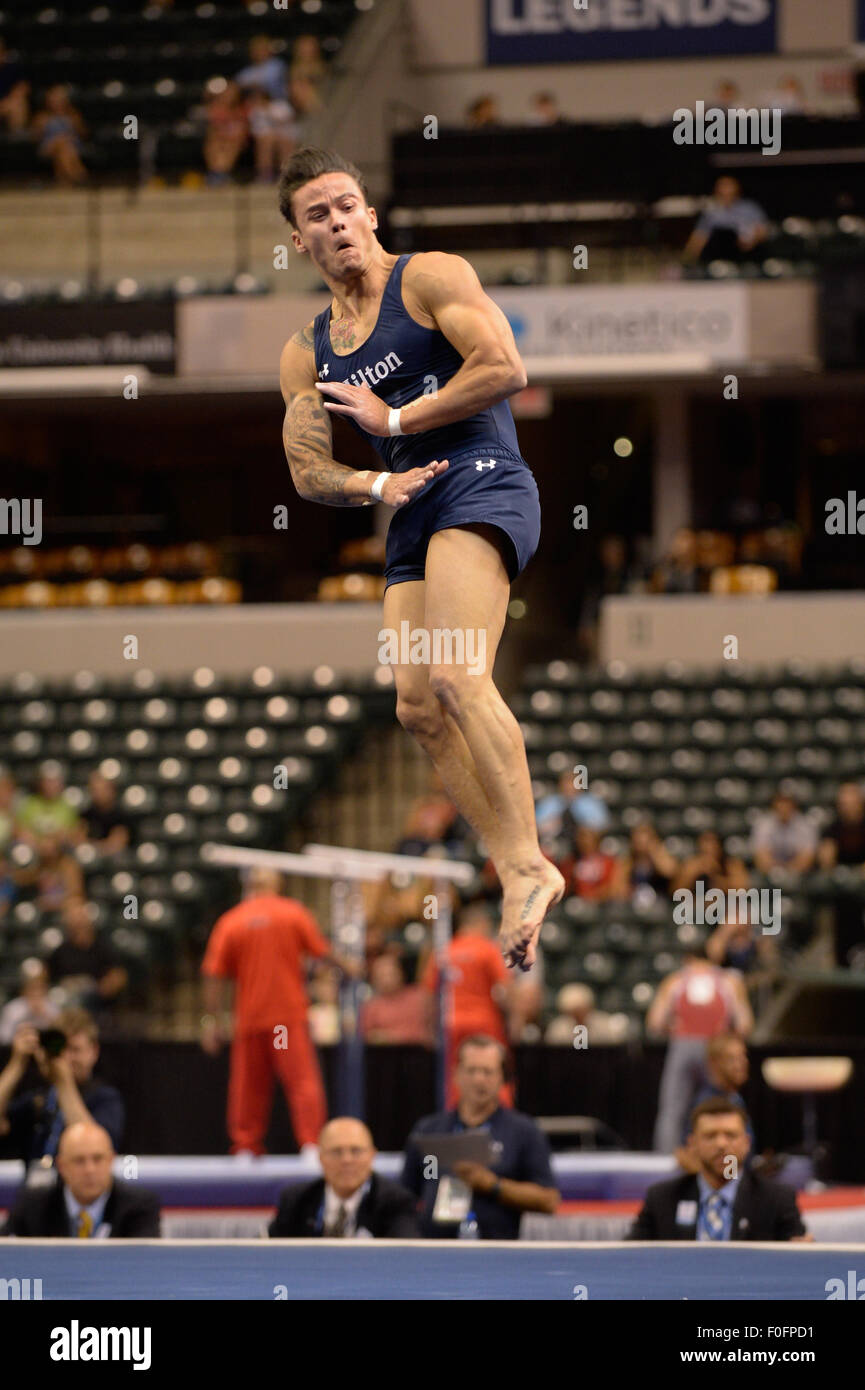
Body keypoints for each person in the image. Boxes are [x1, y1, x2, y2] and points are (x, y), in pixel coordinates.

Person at [277, 146, 564, 971]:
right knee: (415, 705)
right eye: (317, 215)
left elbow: (504, 367)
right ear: (300, 241)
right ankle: (516, 861)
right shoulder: (307, 352)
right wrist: (375, 480)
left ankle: (524, 865)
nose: (337, 223)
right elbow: (306, 469)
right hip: (409, 510)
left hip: (480, 481)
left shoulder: (430, 277)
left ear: (370, 212)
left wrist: (397, 424)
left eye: (345, 205)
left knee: (453, 672)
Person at [200, 866, 356, 1155]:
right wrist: (349, 967)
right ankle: (310, 1143)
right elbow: (322, 952)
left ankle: (245, 1146)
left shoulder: (232, 921)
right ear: (277, 884)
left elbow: (213, 975)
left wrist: (212, 1020)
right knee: (300, 1081)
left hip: (250, 1019)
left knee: (249, 1086)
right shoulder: (292, 913)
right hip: (285, 1021)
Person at [402, 1035, 559, 1239]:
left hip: (498, 1252)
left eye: (487, 1072)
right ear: (456, 1074)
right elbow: (404, 1199)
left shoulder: (524, 1131)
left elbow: (549, 1200)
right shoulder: (428, 1130)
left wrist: (494, 1186)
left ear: (502, 1078)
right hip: (435, 1251)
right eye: (472, 1070)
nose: (479, 1079)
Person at [629, 1099, 810, 1242]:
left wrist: (805, 1251)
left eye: (730, 1135)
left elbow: (798, 1254)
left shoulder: (776, 1200)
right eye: (710, 1136)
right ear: (693, 1144)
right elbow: (628, 1257)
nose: (721, 1144)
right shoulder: (662, 1198)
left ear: (746, 1143)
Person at [647, 946, 753, 1154]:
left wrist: (675, 1028)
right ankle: (728, 1156)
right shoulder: (728, 981)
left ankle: (666, 1160)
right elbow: (745, 1026)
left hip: (683, 1045)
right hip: (716, 1047)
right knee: (723, 1105)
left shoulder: (675, 981)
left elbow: (655, 1024)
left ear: (688, 960)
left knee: (672, 1110)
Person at [0, 1009, 125, 1168]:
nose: (66, 1059)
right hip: (36, 1190)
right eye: (61, 1050)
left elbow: (90, 1148)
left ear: (94, 1051)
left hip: (78, 1190)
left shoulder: (105, 1098)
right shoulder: (41, 1098)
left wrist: (63, 1080)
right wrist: (17, 1063)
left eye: (75, 1050)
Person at [420, 901, 513, 1106]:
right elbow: (504, 991)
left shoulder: (442, 952)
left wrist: (428, 1028)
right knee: (492, 1068)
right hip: (484, 1021)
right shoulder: (487, 949)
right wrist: (512, 1019)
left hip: (451, 1023)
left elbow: (428, 995)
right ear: (481, 923)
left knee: (456, 1074)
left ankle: (456, 1119)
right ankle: (501, 1112)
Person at [2, 1121, 160, 1238]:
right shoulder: (32, 1206)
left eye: (98, 1159)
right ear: (62, 1166)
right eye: (79, 1161)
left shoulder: (138, 1207)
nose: (89, 1170)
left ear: (111, 1160)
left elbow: (144, 1268)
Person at [269, 1116, 419, 1237]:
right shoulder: (296, 1200)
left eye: (356, 1151)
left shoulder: (395, 1203)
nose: (346, 1160)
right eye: (336, 1152)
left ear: (372, 1156)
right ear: (321, 1158)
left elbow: (405, 1257)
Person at [674, 1033, 755, 1170]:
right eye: (732, 1059)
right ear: (713, 1063)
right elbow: (720, 1165)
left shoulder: (734, 1098)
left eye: (743, 1056)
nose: (741, 1063)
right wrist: (733, 1183)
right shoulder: (708, 1106)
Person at [47, 895, 128, 1012]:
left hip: (97, 1002)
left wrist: (105, 987)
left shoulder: (104, 946)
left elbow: (119, 975)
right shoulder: (61, 950)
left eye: (80, 918)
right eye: (73, 918)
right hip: (66, 1002)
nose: (78, 923)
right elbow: (48, 975)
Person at [683, 176, 769, 266]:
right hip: (718, 257)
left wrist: (752, 241)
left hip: (747, 254)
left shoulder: (749, 208)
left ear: (737, 191)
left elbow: (762, 231)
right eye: (722, 192)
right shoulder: (711, 212)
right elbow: (699, 237)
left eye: (729, 192)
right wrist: (688, 260)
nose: (726, 194)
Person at [361, 953, 432, 1046]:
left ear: (401, 973)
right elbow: (366, 1038)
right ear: (373, 979)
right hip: (386, 1056)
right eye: (382, 975)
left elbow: (431, 1034)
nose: (387, 979)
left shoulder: (420, 997)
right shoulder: (371, 1007)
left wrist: (392, 1037)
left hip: (418, 1054)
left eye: (390, 974)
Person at [750, 789, 817, 877]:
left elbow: (807, 858)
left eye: (787, 802)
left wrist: (789, 869)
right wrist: (778, 870)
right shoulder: (763, 824)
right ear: (774, 804)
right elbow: (761, 859)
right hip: (770, 874)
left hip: (799, 875)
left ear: (794, 805)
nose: (784, 806)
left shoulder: (805, 824)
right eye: (781, 802)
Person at [31, 84, 87, 186]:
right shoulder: (41, 117)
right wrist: (41, 127)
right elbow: (35, 138)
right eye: (53, 99)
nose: (56, 102)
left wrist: (75, 126)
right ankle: (79, 176)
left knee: (63, 149)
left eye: (59, 99)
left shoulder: (73, 115)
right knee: (61, 144)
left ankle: (65, 181)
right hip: (48, 146)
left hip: (71, 145)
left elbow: (83, 134)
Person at [15, 762, 80, 848]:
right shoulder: (29, 804)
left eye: (54, 781)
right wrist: (40, 842)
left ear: (61, 783)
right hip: (34, 850)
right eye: (47, 781)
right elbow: (20, 829)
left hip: (60, 851)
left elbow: (73, 832)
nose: (50, 786)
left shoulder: (68, 806)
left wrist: (54, 841)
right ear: (40, 783)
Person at [0, 959, 61, 1045]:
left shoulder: (51, 1007)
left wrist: (45, 1015)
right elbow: (4, 1038)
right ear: (24, 989)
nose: (36, 993)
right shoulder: (12, 1009)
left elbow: (60, 1036)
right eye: (32, 988)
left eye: (40, 987)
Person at [80, 771, 131, 855]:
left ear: (112, 790)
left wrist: (92, 845)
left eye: (102, 789)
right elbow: (78, 842)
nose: (99, 794)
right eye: (94, 790)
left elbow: (116, 845)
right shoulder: (86, 814)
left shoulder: (122, 816)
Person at [235, 35, 289, 101]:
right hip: (252, 104)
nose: (258, 52)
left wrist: (253, 86)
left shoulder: (278, 65)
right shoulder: (246, 71)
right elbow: (238, 85)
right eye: (255, 49)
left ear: (269, 49)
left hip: (277, 103)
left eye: (262, 48)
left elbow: (272, 86)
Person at [0, 37, 29, 133]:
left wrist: (6, 104)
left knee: (18, 105)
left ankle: (16, 142)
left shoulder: (12, 68)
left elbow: (23, 88)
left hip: (8, 104)